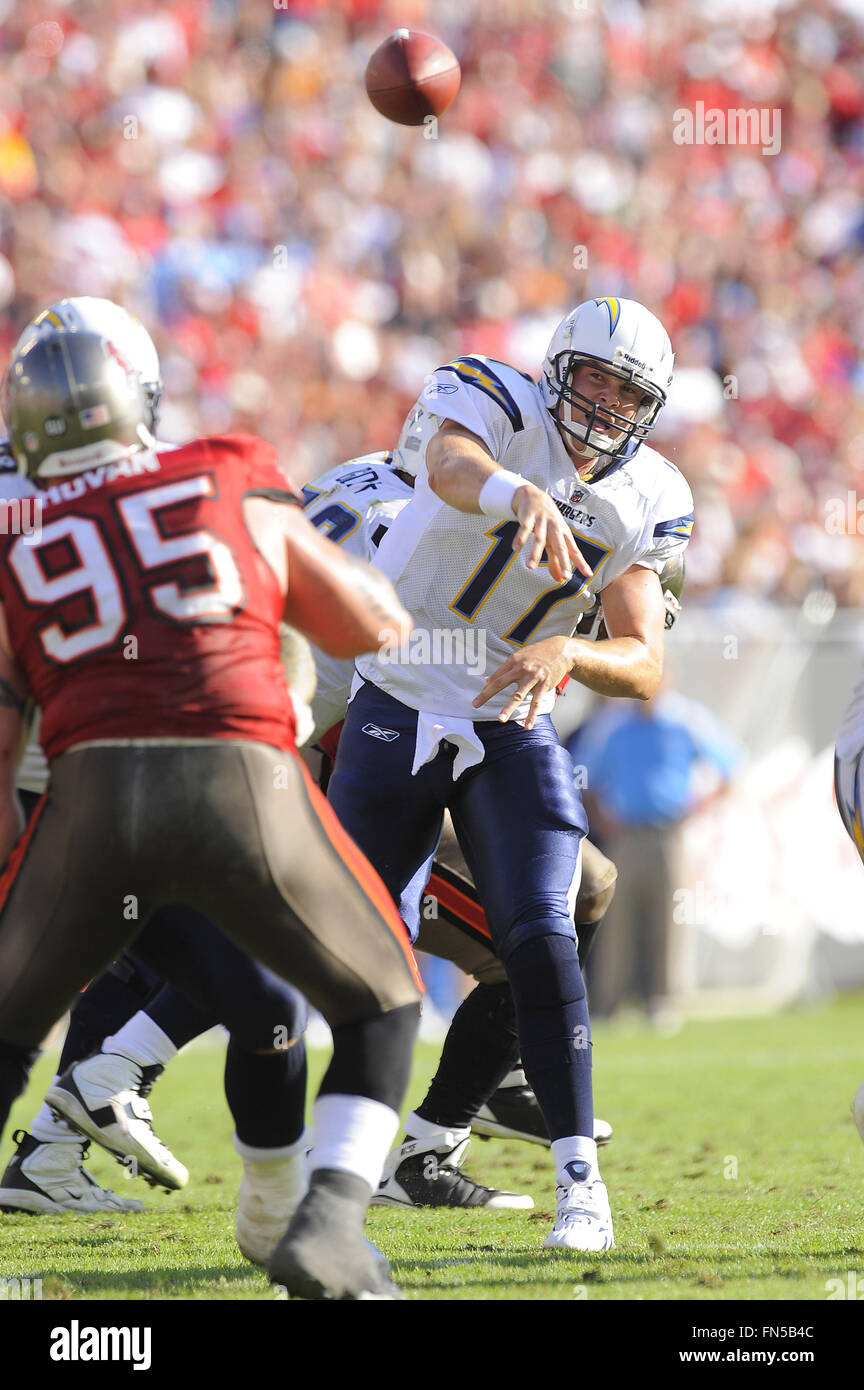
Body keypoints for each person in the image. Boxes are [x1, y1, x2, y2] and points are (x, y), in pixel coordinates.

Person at [0, 316, 422, 1300]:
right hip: (238, 777)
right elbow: (367, 625)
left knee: (16, 1028)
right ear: (137, 403)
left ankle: (260, 1203)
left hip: (83, 797)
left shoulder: (21, 545)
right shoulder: (226, 470)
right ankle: (325, 1223)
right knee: (383, 996)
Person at [324, 296, 693, 1251]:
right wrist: (512, 493)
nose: (608, 405)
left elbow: (646, 662)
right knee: (339, 944)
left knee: (546, 928)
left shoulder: (652, 493)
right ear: (558, 368)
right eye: (597, 379)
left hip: (508, 716)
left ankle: (581, 1187)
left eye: (630, 393)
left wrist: (569, 655)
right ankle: (311, 1166)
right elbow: (449, 465)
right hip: (396, 697)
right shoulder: (492, 396)